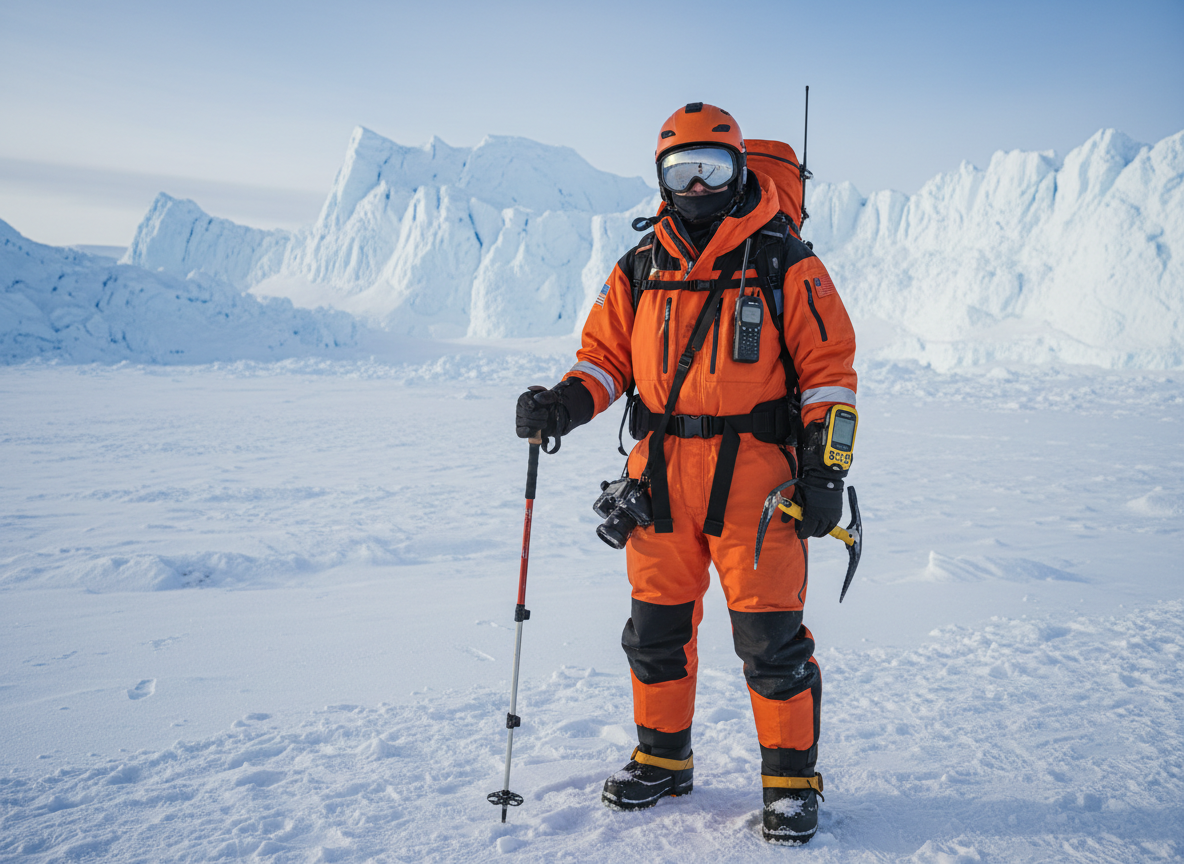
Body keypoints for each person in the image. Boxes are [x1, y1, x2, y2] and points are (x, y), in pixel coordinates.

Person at [514, 102, 857, 845]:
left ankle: (792, 785)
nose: (697, 186)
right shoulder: (640, 265)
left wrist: (825, 472)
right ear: (661, 179)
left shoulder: (782, 260)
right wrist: (563, 406)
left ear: (738, 172)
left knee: (772, 642)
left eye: (713, 169)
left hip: (758, 484)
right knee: (655, 633)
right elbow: (603, 359)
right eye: (681, 171)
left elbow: (830, 372)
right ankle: (663, 759)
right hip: (660, 477)